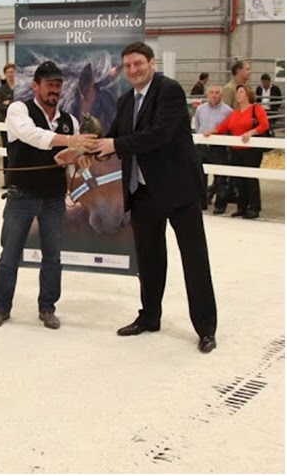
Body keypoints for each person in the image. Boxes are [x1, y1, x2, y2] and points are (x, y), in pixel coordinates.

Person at [92, 41, 217, 354]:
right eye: (129, 66)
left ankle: (205, 328)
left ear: (152, 63)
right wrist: (80, 149)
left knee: (195, 261)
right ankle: (149, 317)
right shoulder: (125, 101)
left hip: (179, 192)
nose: (134, 70)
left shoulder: (169, 91)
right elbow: (111, 136)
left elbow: (159, 135)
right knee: (149, 261)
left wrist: (115, 145)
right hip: (143, 192)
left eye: (139, 64)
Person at [0, 60, 97, 332]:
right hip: (21, 194)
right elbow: (29, 135)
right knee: (10, 253)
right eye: (49, 85)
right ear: (35, 86)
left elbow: (71, 159)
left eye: (58, 85)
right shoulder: (18, 109)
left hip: (54, 198)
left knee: (53, 257)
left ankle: (48, 307)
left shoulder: (69, 120)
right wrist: (70, 142)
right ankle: (1, 307)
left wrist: (79, 160)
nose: (54, 90)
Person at [203, 84, 269, 220]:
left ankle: (254, 207)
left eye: (241, 92)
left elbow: (264, 125)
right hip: (236, 150)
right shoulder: (235, 113)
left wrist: (251, 132)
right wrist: (212, 131)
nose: (238, 95)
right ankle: (242, 207)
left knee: (250, 179)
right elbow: (225, 125)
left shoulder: (256, 109)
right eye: (237, 92)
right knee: (238, 180)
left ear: (248, 94)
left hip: (251, 150)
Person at [193, 84, 233, 214]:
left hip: (218, 147)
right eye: (211, 92)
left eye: (217, 92)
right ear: (207, 94)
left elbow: (228, 129)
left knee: (220, 177)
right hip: (202, 146)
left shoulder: (228, 111)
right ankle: (201, 203)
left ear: (221, 95)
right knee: (200, 176)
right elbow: (198, 126)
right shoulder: (200, 109)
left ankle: (220, 205)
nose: (214, 95)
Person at [0, 63, 17, 188]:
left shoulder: (20, 88)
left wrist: (10, 103)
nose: (10, 74)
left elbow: (22, 103)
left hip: (17, 124)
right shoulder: (1, 90)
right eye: (8, 72)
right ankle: (6, 179)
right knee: (6, 151)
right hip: (4, 123)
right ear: (5, 74)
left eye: (12, 72)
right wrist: (9, 106)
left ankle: (16, 179)